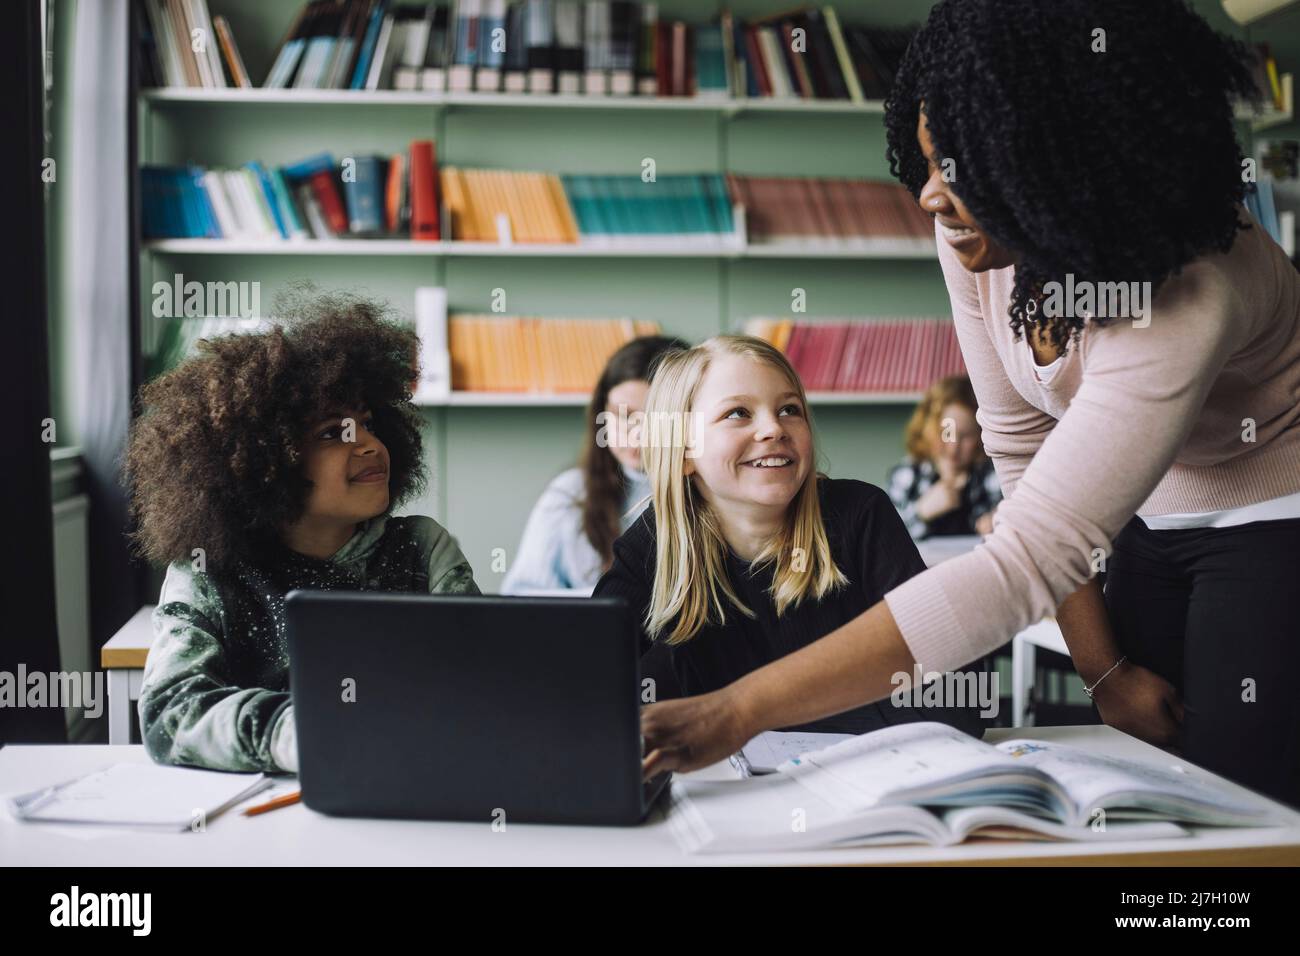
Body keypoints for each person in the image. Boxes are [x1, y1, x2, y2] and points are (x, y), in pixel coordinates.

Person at [638, 0, 1300, 807]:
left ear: (1067, 162)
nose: (930, 196)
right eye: (929, 159)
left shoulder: (1196, 287)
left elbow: (1024, 562)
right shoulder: (977, 236)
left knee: (1246, 799)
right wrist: (1106, 669)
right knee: (1158, 792)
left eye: (963, 166)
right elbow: (1023, 456)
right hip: (1141, 516)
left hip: (1273, 509)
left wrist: (740, 709)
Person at [126, 294, 479, 773]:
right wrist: (299, 734)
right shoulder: (207, 570)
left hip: (404, 794)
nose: (371, 446)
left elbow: (482, 682)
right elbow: (169, 713)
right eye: (335, 433)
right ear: (265, 464)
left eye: (369, 424)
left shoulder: (423, 547)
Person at [594, 335, 987, 736]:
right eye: (738, 413)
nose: (773, 428)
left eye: (789, 409)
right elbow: (587, 696)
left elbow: (959, 699)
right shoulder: (656, 544)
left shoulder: (860, 515)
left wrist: (755, 713)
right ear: (682, 453)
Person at [501, 335, 687, 593]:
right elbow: (520, 597)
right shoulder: (570, 492)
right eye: (623, 415)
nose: (636, 433)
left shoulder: (714, 496)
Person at [887, 375, 1001, 539]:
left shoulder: (992, 475)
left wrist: (996, 522)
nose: (953, 447)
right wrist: (921, 512)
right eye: (946, 432)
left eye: (966, 435)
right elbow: (886, 538)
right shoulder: (906, 476)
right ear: (927, 429)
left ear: (980, 435)